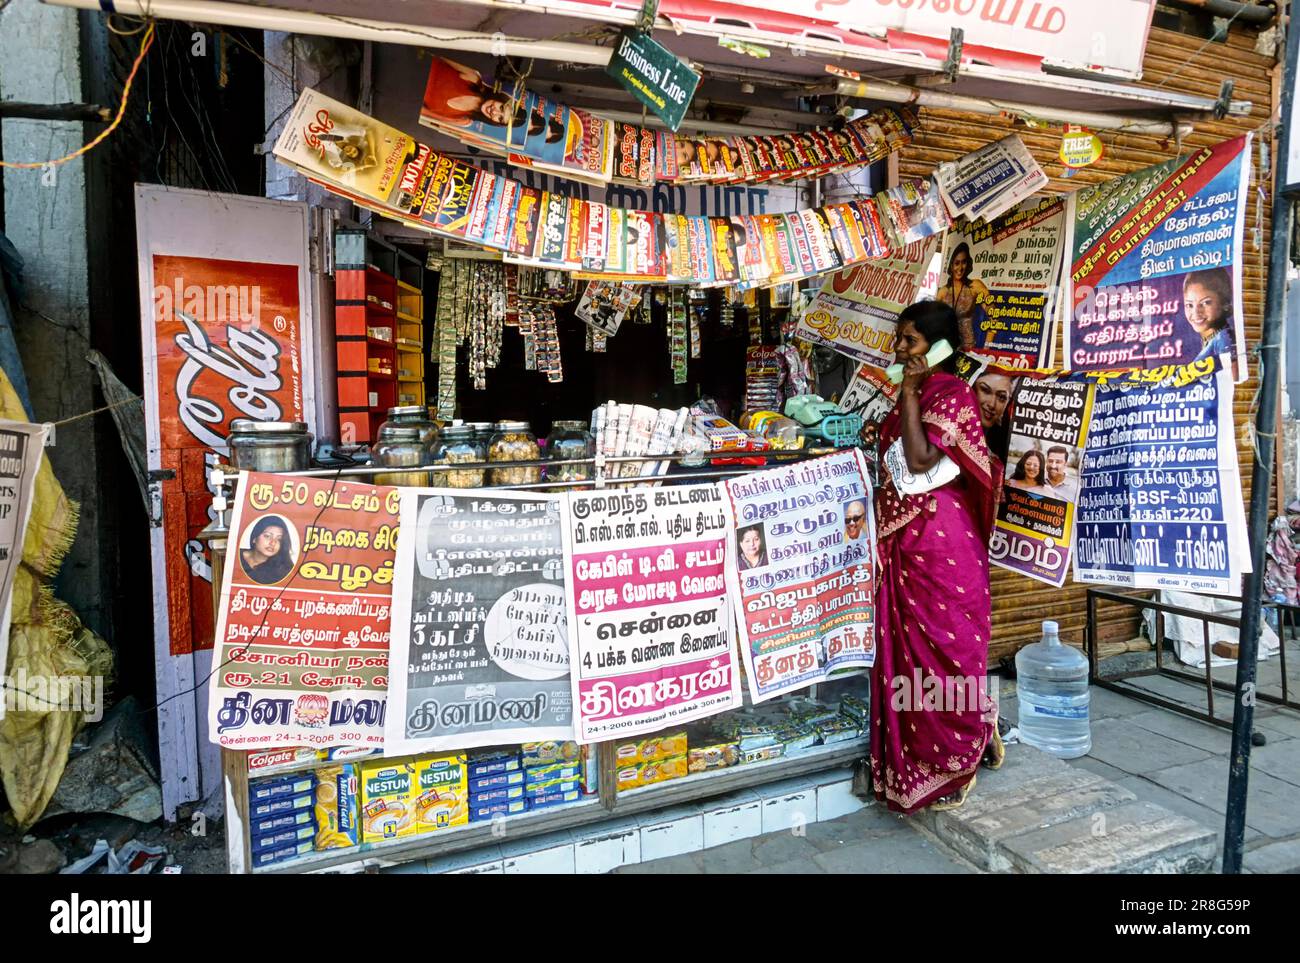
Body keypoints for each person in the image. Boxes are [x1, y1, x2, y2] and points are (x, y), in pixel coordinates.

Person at [872, 300, 1001, 815]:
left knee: (948, 651)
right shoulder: (917, 391)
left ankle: (958, 750)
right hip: (907, 541)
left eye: (911, 341)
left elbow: (922, 459)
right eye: (899, 340)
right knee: (909, 652)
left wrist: (906, 392)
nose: (900, 349)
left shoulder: (952, 394)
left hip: (941, 539)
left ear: (940, 346)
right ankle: (922, 757)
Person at [936, 243, 991, 350]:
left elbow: (994, 317)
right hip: (945, 349)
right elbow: (933, 323)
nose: (960, 268)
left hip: (968, 348)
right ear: (951, 265)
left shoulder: (975, 286)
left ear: (968, 263)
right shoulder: (943, 292)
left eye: (964, 262)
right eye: (957, 263)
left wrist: (987, 347)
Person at [1185, 268, 1235, 364]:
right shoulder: (1211, 338)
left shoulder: (1224, 339)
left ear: (1224, 303)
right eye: (1189, 305)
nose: (1195, 312)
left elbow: (1232, 377)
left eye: (1206, 303)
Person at [240, 515, 296, 586]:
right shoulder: (235, 556)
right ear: (254, 538)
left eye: (279, 539)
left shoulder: (283, 570)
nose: (273, 543)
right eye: (267, 536)